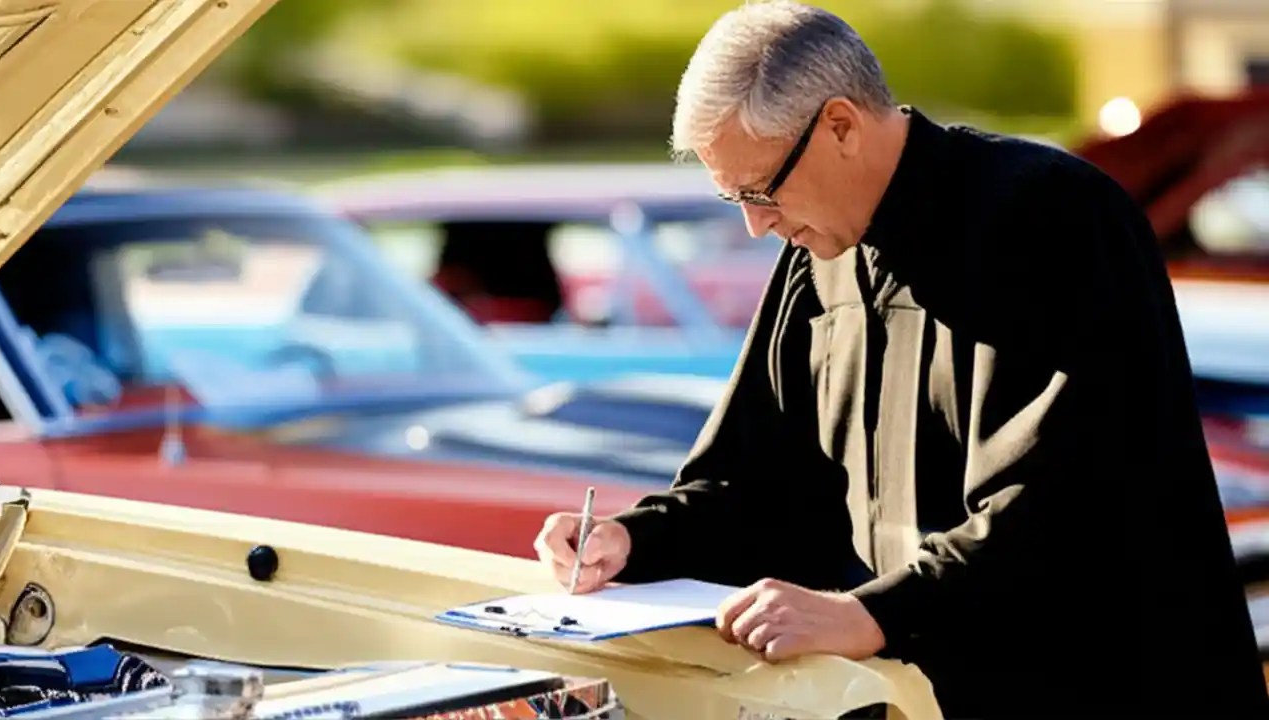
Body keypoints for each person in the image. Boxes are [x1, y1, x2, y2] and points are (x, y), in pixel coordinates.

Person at [533, 1, 1269, 717]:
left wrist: (872, 614)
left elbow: (1077, 503)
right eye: (736, 200)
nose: (756, 225)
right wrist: (630, 539)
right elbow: (753, 480)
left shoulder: (1054, 218)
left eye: (760, 191)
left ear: (841, 126)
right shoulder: (816, 256)